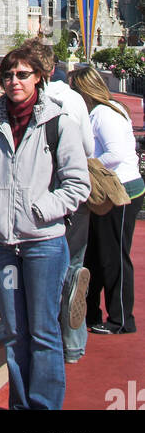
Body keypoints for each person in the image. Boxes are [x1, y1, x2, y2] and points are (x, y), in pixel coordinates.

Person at [0, 41, 90, 411]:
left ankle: (44, 406)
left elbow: (77, 184)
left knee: (44, 333)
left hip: (44, 244)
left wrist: (40, 210)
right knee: (15, 333)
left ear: (39, 77)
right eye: (8, 75)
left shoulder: (59, 125)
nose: (13, 81)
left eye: (22, 74)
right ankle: (21, 406)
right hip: (1, 244)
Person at [70, 65, 145, 336]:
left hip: (119, 190)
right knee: (97, 255)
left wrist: (86, 167)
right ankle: (92, 312)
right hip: (111, 190)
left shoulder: (105, 113)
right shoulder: (103, 111)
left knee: (114, 257)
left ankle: (121, 319)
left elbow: (115, 153)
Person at [44, 61, 94, 362]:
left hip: (45, 200)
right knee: (73, 265)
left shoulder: (29, 102)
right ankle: (73, 346)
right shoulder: (75, 100)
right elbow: (88, 148)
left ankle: (51, 340)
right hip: (75, 195)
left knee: (47, 270)